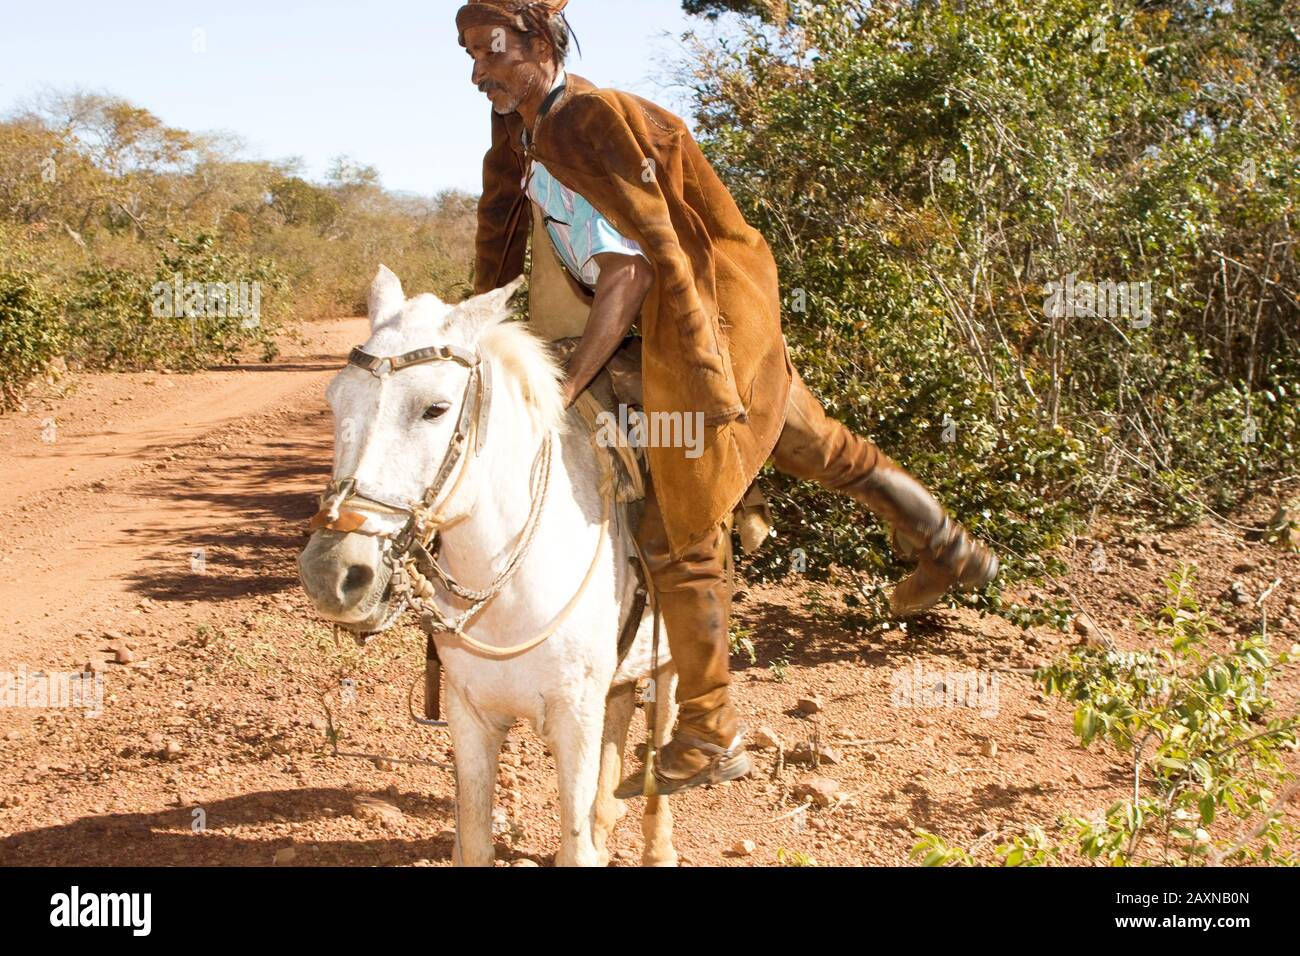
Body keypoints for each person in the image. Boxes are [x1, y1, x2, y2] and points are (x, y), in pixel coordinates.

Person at [456, 0, 999, 796]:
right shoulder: (528, 136)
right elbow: (523, 248)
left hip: (693, 329)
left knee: (680, 522)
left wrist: (569, 380)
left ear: (539, 40)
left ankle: (707, 735)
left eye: (490, 51)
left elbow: (631, 270)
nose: (477, 73)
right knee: (819, 447)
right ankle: (949, 546)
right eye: (467, 57)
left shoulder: (584, 122)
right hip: (714, 322)